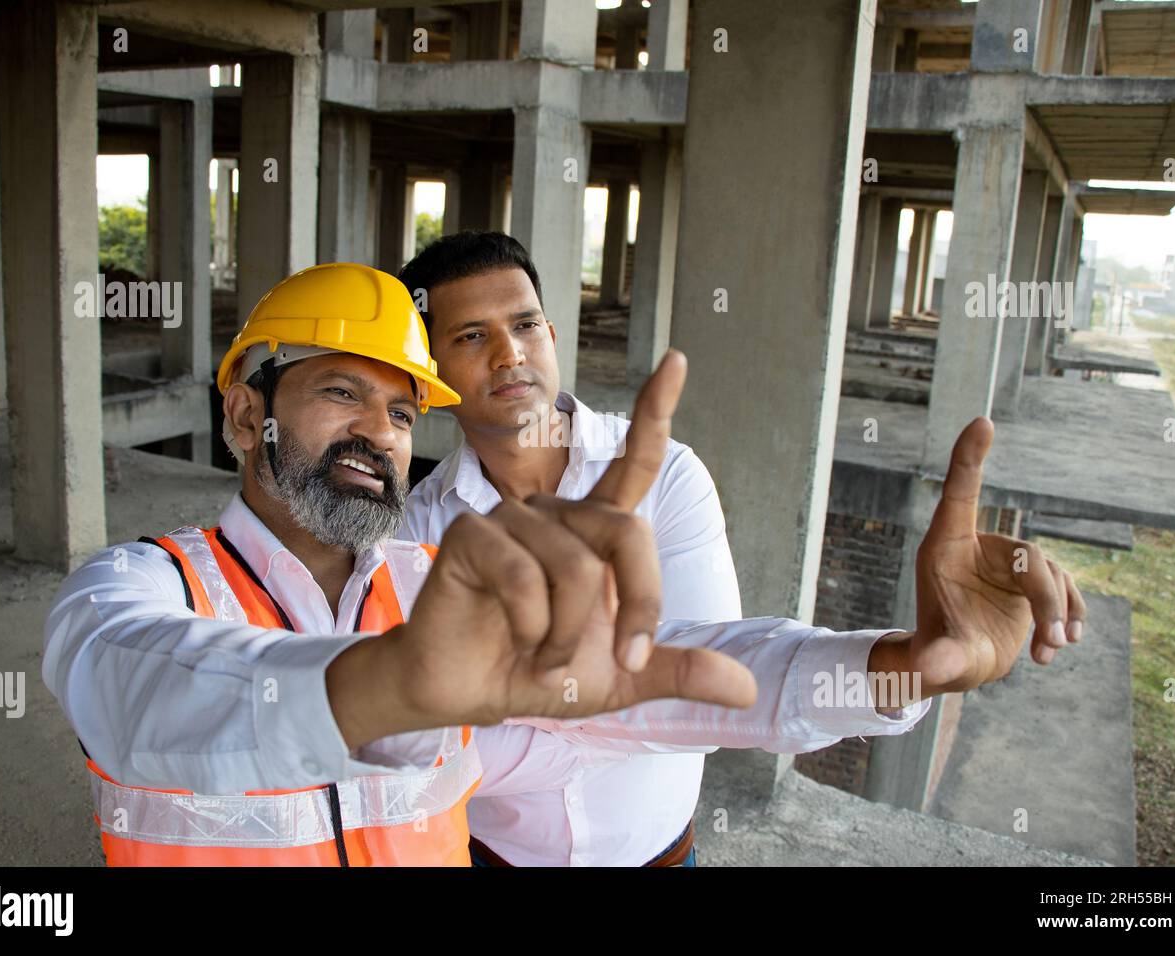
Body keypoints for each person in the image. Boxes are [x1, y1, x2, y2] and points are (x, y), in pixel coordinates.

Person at [44, 262, 1084, 867]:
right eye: (340, 395)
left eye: (402, 413)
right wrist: (385, 682)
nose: (379, 433)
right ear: (243, 413)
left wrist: (905, 661)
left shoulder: (433, 581)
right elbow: (125, 684)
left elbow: (689, 673)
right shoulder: (140, 585)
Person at [396, 232, 1087, 867]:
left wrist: (905, 668)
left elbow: (711, 694)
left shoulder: (664, 473)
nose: (510, 353)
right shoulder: (415, 534)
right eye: (471, 335)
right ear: (431, 373)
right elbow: (436, 747)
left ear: (550, 331)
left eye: (524, 325)